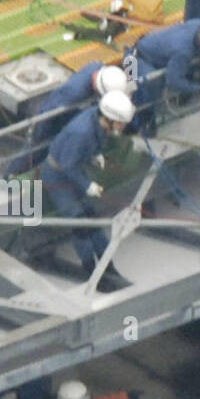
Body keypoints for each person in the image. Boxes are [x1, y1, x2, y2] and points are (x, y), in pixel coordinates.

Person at [40, 91, 136, 290]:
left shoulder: (97, 121)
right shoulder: (82, 132)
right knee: (80, 224)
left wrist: (94, 156)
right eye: (121, 123)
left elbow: (83, 151)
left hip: (74, 170)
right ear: (109, 119)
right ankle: (92, 270)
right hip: (58, 178)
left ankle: (107, 265)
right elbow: (67, 166)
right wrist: (87, 185)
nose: (123, 127)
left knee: (91, 218)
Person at [7, 63, 131, 177]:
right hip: (52, 123)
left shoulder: (98, 68)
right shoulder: (75, 92)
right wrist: (38, 132)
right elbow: (50, 110)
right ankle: (10, 176)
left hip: (70, 117)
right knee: (35, 151)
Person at [125, 14, 200, 118]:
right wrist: (199, 89)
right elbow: (173, 81)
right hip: (134, 60)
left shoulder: (198, 24)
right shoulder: (184, 51)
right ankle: (140, 119)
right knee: (148, 88)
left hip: (143, 51)